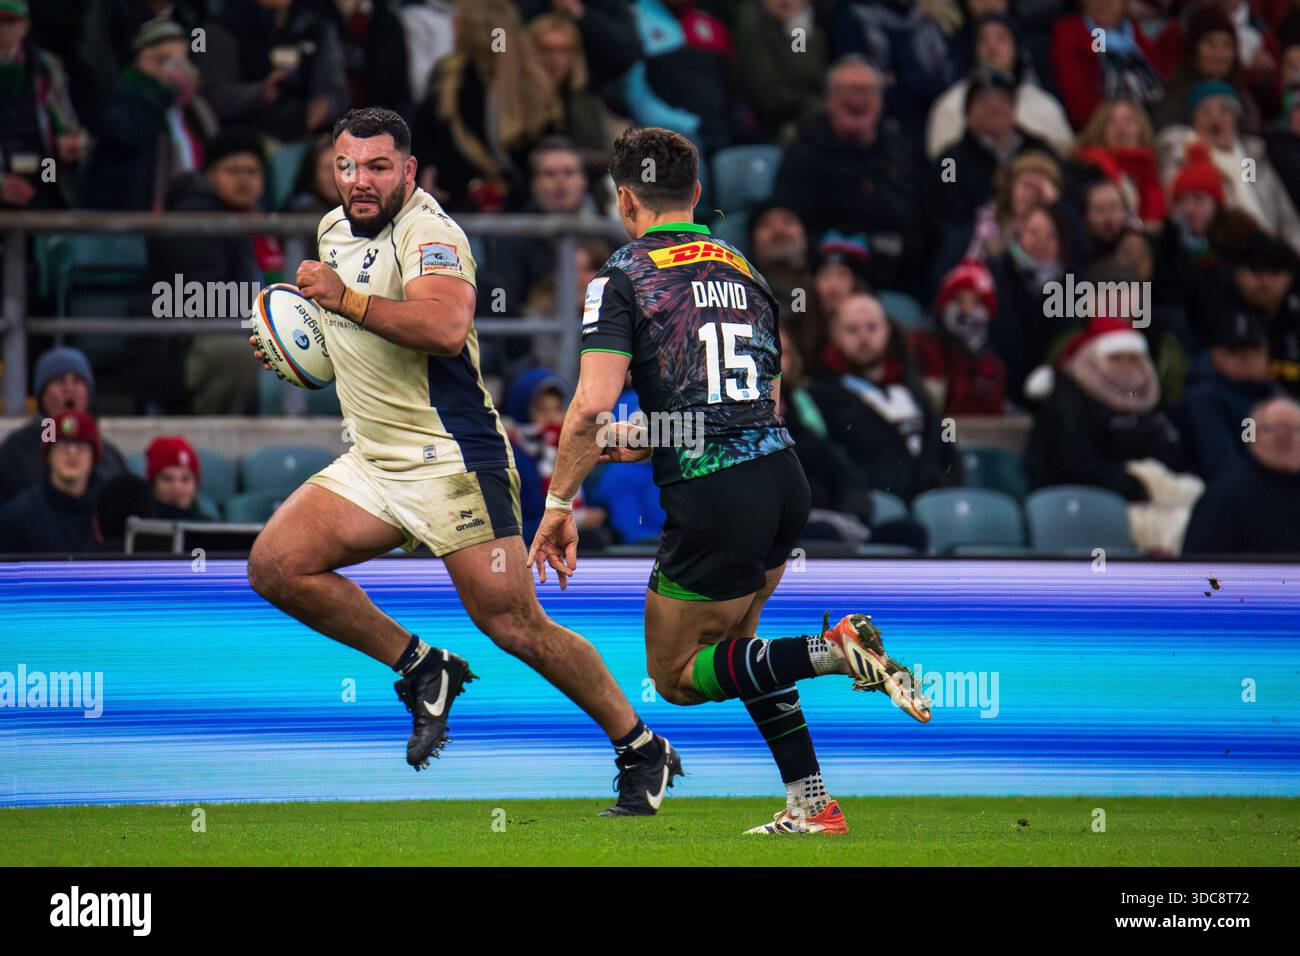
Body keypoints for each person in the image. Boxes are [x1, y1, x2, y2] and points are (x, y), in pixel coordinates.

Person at [244, 108, 676, 816]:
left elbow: (445, 329)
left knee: (514, 624)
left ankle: (640, 745)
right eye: (348, 166)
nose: (360, 181)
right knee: (276, 566)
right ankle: (422, 667)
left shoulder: (431, 230)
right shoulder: (328, 231)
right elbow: (339, 338)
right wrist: (291, 339)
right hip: (372, 461)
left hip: (450, 459)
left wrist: (341, 299)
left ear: (408, 171)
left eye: (379, 166)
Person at [529, 127, 931, 836]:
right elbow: (753, 405)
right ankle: (813, 804)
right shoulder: (744, 267)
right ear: (699, 195)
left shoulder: (620, 275)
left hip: (715, 496)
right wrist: (652, 439)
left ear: (625, 199)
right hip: (781, 480)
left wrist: (559, 502)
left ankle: (834, 649)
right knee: (740, 652)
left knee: (679, 675)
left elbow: (590, 403)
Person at [809, 293, 964, 501]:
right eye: (852, 330)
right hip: (873, 503)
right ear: (835, 336)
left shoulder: (913, 388)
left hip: (932, 500)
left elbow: (945, 450)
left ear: (887, 330)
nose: (864, 337)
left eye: (872, 327)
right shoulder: (822, 395)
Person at [84, 16, 217, 212]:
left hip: (192, 207)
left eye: (181, 61)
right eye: (162, 60)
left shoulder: (193, 107)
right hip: (136, 209)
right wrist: (162, 94)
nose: (172, 70)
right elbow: (130, 135)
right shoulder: (122, 96)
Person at [0, 347, 128, 506]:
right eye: (60, 381)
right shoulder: (18, 449)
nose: (70, 389)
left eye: (78, 381)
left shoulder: (109, 455)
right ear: (42, 394)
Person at [1183, 394, 1300, 554]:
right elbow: (1200, 570)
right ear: (1253, 436)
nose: (1283, 437)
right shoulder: (1223, 497)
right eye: (1271, 429)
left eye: (1294, 429)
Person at [0, 0, 85, 209]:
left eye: (10, 22)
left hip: (40, 165)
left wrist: (71, 143)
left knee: (48, 194)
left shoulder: (44, 66)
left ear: (24, 26)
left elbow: (64, 122)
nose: (3, 31)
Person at [0, 409, 101, 554]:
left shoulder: (107, 512)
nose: (72, 452)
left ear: (93, 457)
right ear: (48, 454)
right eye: (63, 445)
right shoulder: (17, 516)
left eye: (81, 446)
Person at [145, 435, 213, 520]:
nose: (177, 487)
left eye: (185, 479)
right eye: (167, 479)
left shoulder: (210, 526)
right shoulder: (142, 526)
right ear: (153, 484)